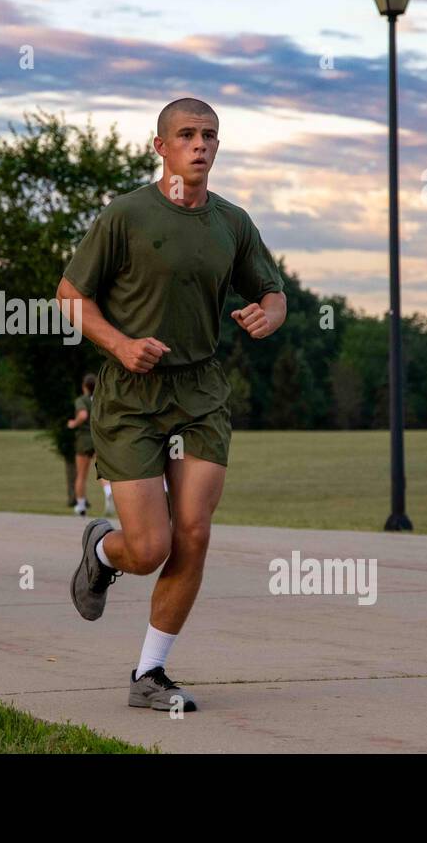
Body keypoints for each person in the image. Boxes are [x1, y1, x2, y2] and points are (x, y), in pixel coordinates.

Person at [57, 97, 287, 712]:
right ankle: (104, 550)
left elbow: (272, 291)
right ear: (161, 146)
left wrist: (265, 316)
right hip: (131, 397)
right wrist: (121, 344)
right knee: (150, 547)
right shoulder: (127, 214)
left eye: (209, 135)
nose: (200, 144)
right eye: (187, 134)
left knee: (194, 533)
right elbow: (70, 297)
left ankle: (150, 674)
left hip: (201, 393)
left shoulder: (231, 223)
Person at [68, 373, 116, 517]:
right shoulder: (102, 399)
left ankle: (81, 506)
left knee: (81, 474)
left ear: (84, 387)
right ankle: (108, 491)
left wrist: (73, 423)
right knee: (101, 469)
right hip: (99, 438)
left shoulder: (81, 400)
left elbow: (82, 415)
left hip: (84, 439)